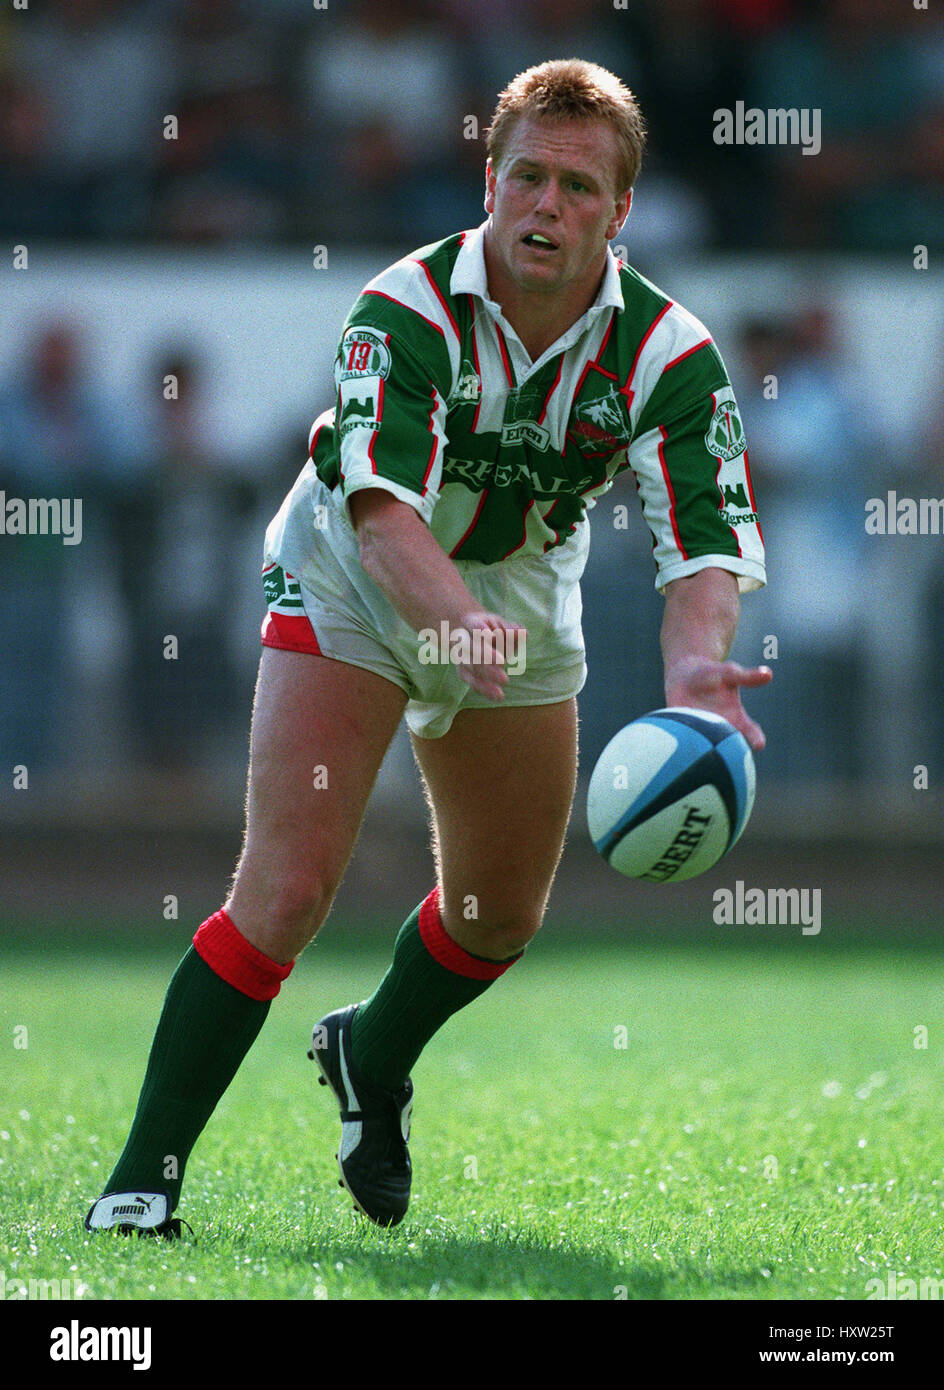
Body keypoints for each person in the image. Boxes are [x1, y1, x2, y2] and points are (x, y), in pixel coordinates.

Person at [85, 58, 768, 1239]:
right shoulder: (403, 308)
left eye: (577, 187)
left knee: (498, 914)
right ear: (487, 179)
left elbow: (699, 543)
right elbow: (379, 510)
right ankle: (140, 1181)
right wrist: (445, 616)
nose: (545, 205)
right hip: (353, 573)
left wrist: (696, 665)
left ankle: (370, 1052)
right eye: (527, 177)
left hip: (519, 592)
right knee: (287, 889)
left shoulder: (670, 356)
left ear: (620, 213)